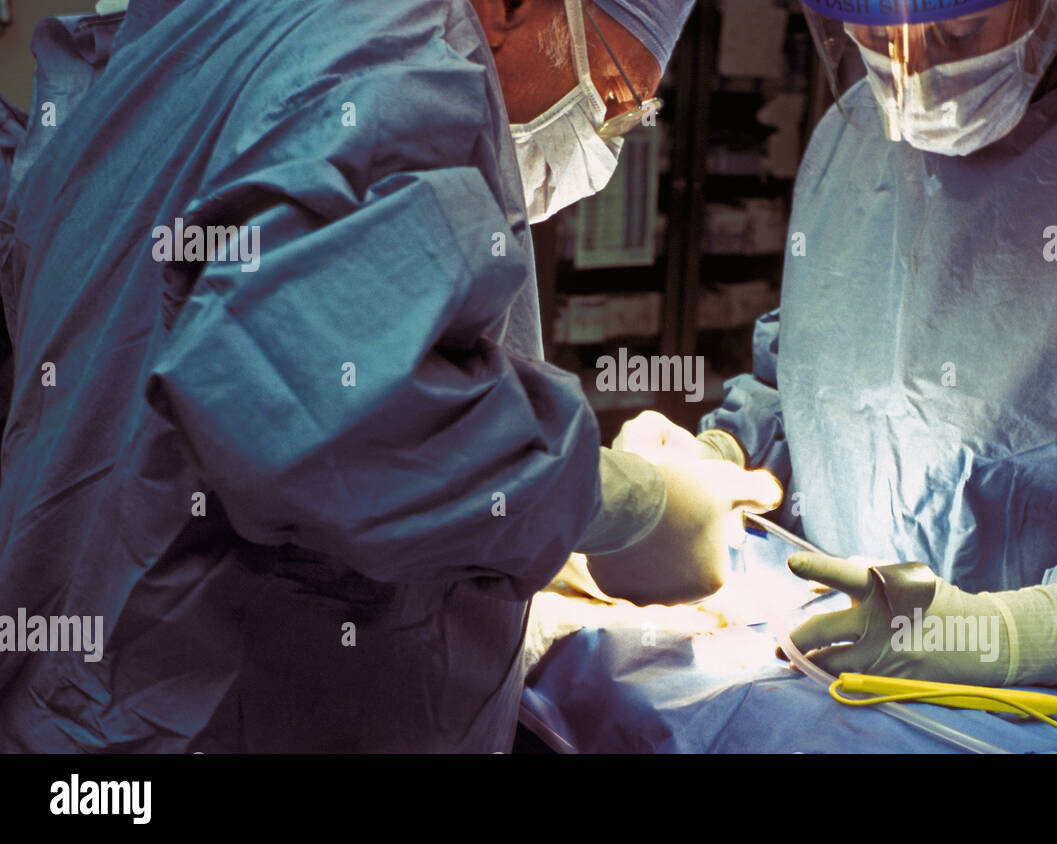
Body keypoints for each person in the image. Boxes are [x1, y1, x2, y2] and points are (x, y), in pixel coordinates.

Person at [0, 0, 787, 753]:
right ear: (511, 6)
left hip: (82, 696)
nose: (604, 140)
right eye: (611, 93)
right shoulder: (395, 49)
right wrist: (623, 501)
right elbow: (330, 408)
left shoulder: (225, 28)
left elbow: (224, 357)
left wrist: (507, 540)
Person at [621, 0, 1057, 727]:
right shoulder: (851, 136)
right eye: (877, 31)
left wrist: (1004, 637)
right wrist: (715, 460)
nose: (910, 63)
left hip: (1039, 722)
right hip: (822, 683)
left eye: (958, 27)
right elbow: (805, 379)